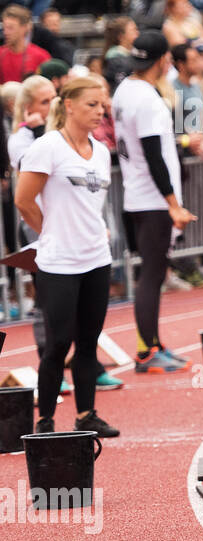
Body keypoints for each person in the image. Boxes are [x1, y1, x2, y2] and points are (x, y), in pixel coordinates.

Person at [13, 75, 119, 437]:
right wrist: (52, 232)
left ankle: (87, 414)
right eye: (92, 105)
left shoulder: (101, 151)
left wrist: (96, 230)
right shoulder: (48, 148)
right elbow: (23, 201)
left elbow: (92, 204)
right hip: (58, 261)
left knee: (89, 341)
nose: (99, 112)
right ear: (69, 105)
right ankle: (44, 422)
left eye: (102, 106)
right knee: (58, 343)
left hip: (96, 257)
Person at [112, 30, 198, 373]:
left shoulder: (125, 90)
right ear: (164, 60)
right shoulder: (146, 98)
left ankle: (153, 343)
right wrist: (173, 203)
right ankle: (147, 350)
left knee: (153, 271)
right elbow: (154, 156)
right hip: (150, 198)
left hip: (138, 194)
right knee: (152, 273)